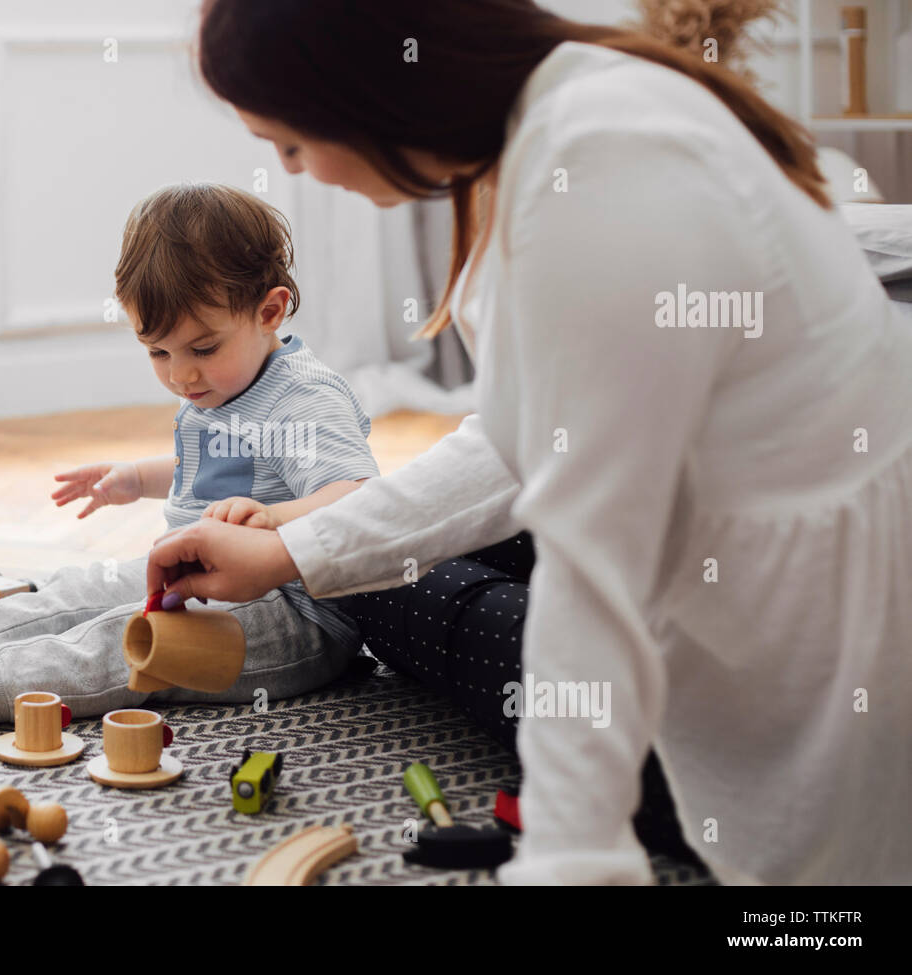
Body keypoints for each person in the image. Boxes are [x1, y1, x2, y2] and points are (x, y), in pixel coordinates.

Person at [146, 0, 912, 884]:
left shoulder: (595, 169)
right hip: (742, 539)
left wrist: (570, 856)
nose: (299, 172)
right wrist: (291, 548)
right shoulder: (552, 123)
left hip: (819, 619)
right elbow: (521, 440)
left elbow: (597, 574)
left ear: (362, 87)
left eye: (289, 141)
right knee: (370, 572)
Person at [0, 182, 379, 727]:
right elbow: (220, 468)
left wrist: (273, 519)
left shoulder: (304, 398)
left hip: (293, 614)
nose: (181, 374)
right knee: (77, 592)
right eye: (157, 351)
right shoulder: (222, 381)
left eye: (203, 348)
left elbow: (357, 495)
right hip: (196, 575)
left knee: (125, 636)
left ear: (269, 311)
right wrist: (136, 478)